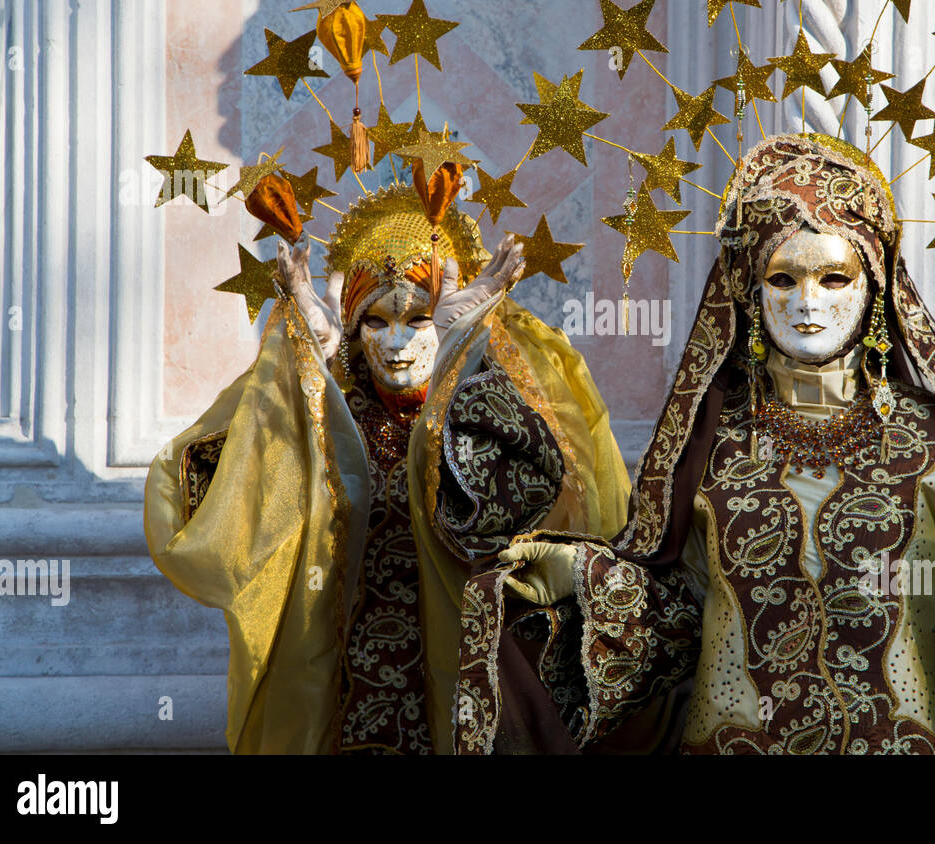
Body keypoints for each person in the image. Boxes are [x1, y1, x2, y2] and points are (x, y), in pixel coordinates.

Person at [493, 133, 935, 754]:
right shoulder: (707, 449)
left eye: (835, 277)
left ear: (875, 285)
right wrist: (578, 577)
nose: (808, 302)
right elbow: (675, 615)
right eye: (783, 277)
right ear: (747, 290)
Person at [144, 181, 629, 753]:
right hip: (344, 701)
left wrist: (458, 350)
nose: (397, 342)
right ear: (351, 327)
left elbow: (551, 504)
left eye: (419, 320)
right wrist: (307, 363)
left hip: (457, 695)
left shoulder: (483, 415)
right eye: (374, 321)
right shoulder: (326, 424)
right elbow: (229, 500)